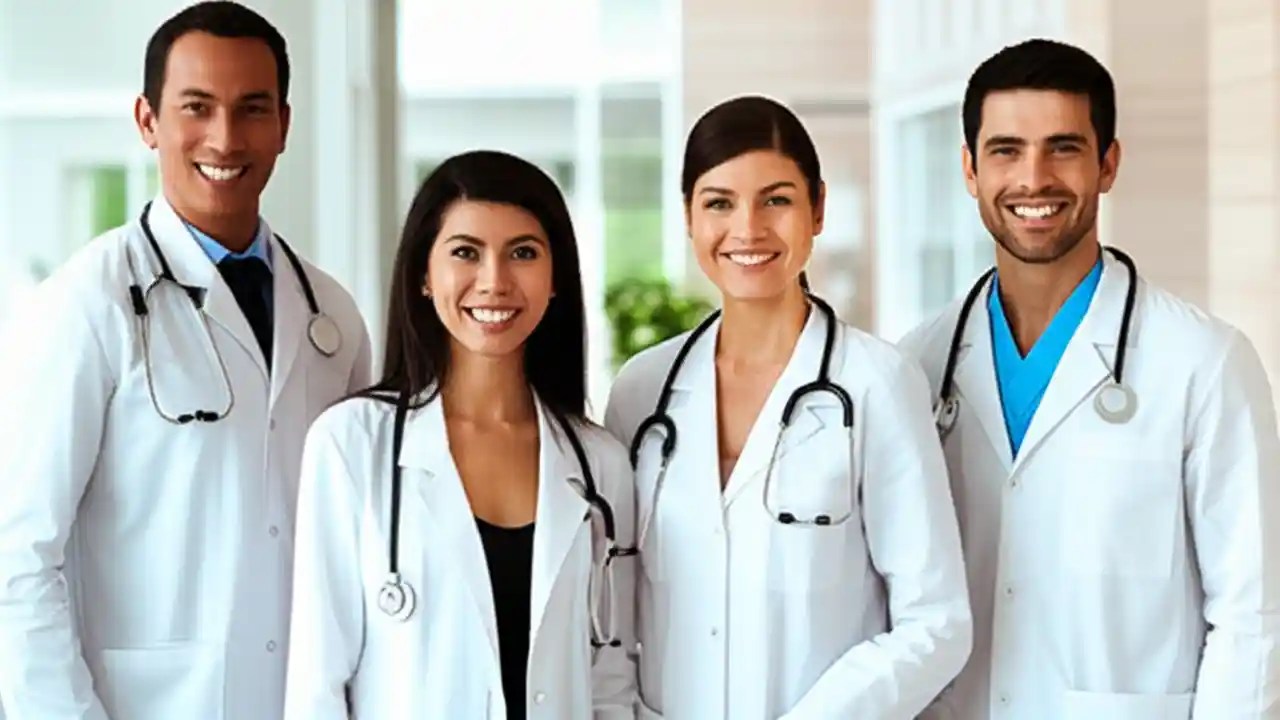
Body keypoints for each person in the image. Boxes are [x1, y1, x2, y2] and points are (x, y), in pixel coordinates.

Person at [0, 3, 371, 719]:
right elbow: (17, 555)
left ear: (284, 125)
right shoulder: (86, 304)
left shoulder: (332, 315)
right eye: (196, 108)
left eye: (252, 109)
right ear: (148, 120)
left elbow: (355, 542)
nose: (225, 139)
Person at [900, 39, 1280, 719]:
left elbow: (1253, 615)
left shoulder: (1204, 362)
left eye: (1064, 147)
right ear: (969, 168)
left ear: (1108, 163)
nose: (1034, 178)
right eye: (1006, 150)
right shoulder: (916, 366)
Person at [604, 95, 971, 719]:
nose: (747, 229)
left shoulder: (877, 385)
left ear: (817, 208)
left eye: (776, 199)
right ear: (689, 217)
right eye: (719, 202)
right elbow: (610, 611)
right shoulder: (644, 391)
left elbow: (934, 623)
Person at [282, 150, 638, 719]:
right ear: (425, 275)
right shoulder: (352, 444)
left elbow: (611, 685)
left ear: (556, 282)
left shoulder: (600, 465)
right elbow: (316, 688)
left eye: (523, 253)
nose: (494, 282)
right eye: (465, 253)